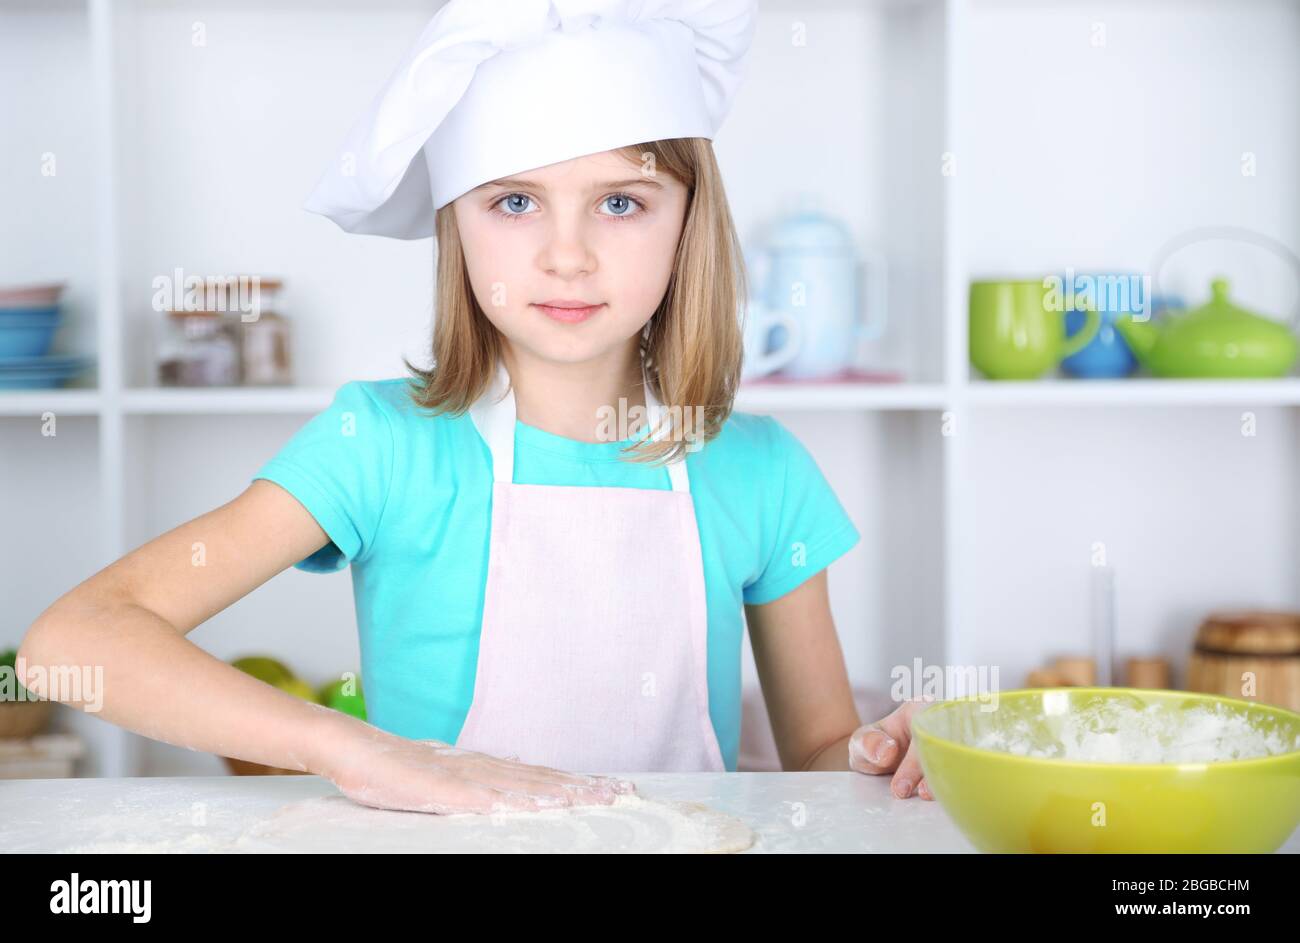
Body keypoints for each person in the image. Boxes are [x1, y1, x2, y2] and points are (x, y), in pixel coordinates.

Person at [18, 0, 933, 814]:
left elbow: (818, 753)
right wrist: (361, 754)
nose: (566, 255)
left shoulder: (762, 468)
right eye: (515, 201)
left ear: (689, 223)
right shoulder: (379, 445)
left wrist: (874, 755)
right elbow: (74, 640)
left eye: (621, 200)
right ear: (457, 223)